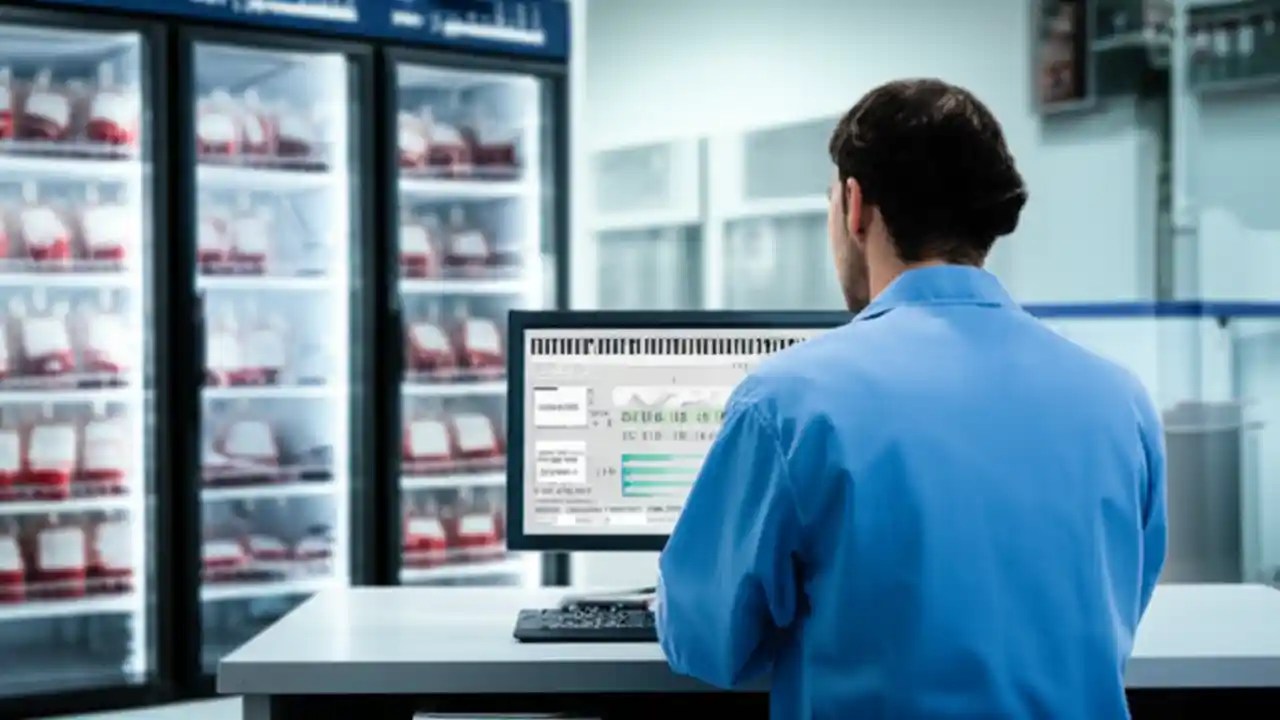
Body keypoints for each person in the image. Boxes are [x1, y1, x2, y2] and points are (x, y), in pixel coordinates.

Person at [654, 78, 1168, 719]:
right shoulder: (1119, 401)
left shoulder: (788, 402)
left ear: (854, 204)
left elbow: (707, 642)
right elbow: (1119, 609)